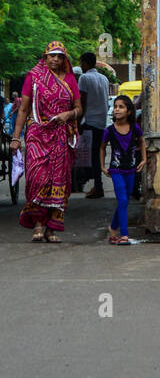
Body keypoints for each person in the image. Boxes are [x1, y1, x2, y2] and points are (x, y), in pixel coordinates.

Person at [11, 41, 82, 242]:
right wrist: (16, 138)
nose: (56, 60)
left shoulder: (69, 79)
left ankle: (51, 228)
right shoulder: (33, 78)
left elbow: (79, 108)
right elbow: (23, 109)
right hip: (37, 133)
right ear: (45, 57)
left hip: (60, 134)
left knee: (58, 180)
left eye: (60, 56)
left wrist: (69, 114)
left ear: (64, 59)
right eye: (52, 55)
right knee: (37, 177)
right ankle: (38, 223)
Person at [101, 95, 146, 244]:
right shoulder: (109, 131)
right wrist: (102, 166)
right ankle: (124, 235)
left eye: (121, 107)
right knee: (122, 199)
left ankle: (113, 227)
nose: (117, 109)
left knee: (124, 201)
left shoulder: (135, 128)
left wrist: (144, 159)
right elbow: (102, 148)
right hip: (116, 170)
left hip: (131, 170)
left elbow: (142, 141)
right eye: (115, 107)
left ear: (128, 111)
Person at [78, 52, 110, 198]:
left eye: (81, 63)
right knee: (96, 154)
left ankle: (96, 186)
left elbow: (82, 102)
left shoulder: (84, 78)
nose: (80, 66)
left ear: (85, 63)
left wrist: (78, 122)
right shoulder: (104, 78)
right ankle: (97, 185)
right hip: (102, 122)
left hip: (89, 121)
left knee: (87, 156)